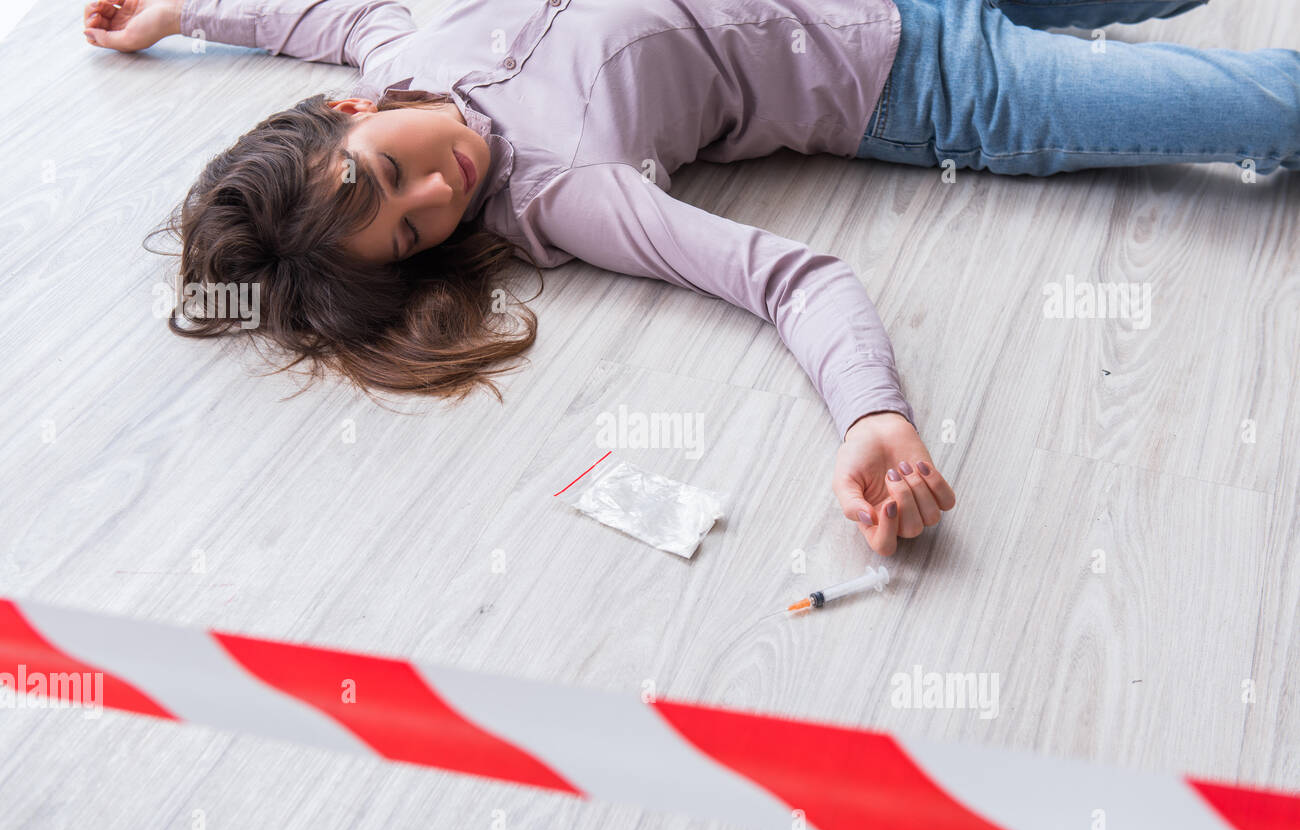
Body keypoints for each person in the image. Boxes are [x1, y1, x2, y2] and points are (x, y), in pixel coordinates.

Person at [82, 0, 1297, 556]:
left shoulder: (394, 39)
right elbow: (791, 281)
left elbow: (295, 15)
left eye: (386, 174)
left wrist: (179, 12)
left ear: (350, 111)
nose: (436, 193)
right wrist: (873, 413)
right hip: (924, 70)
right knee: (1269, 109)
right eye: (411, 232)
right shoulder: (561, 191)